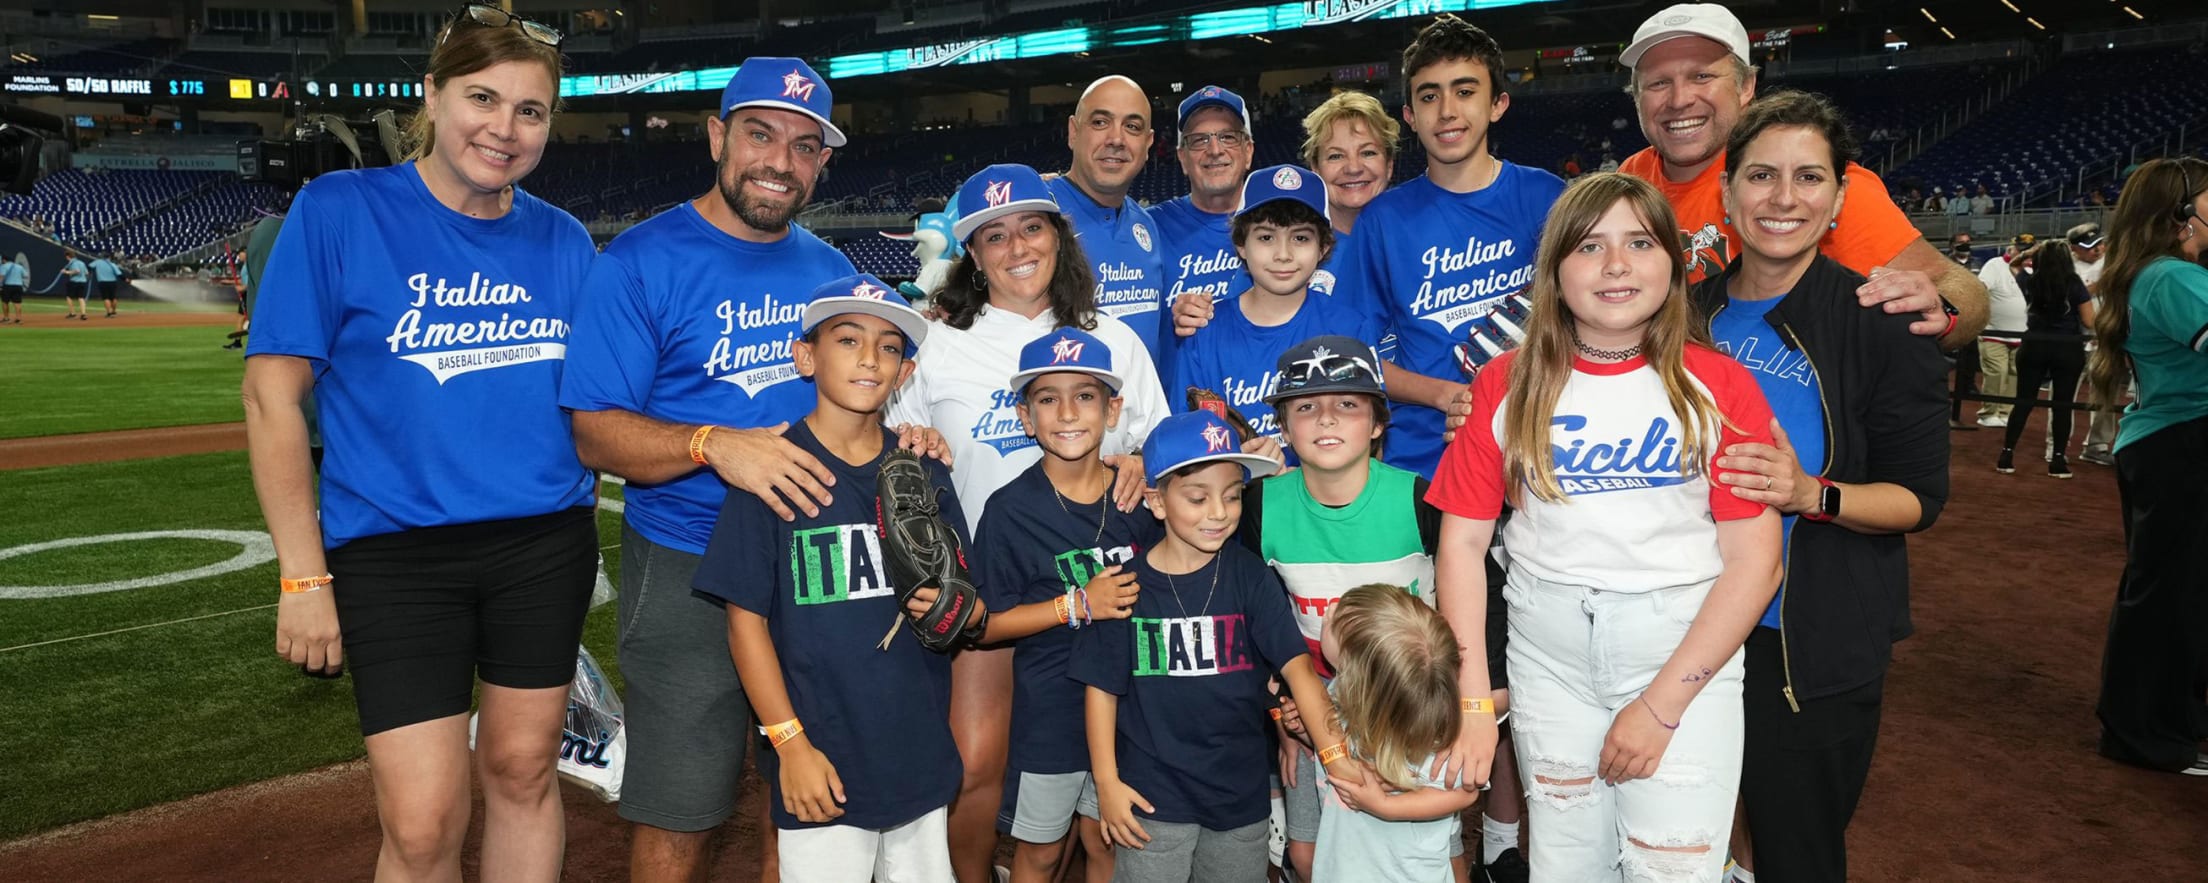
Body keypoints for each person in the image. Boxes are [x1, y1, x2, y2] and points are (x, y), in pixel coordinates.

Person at [560, 58, 941, 883]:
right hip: (690, 561)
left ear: (822, 163)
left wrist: (911, 434)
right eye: (760, 134)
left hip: (819, 564)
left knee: (807, 800)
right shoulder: (639, 260)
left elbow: (862, 397)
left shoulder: (830, 274)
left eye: (803, 146)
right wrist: (713, 443)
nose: (779, 161)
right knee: (682, 803)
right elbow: (593, 432)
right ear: (717, 137)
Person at [241, 7, 594, 878]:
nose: (504, 128)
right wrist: (302, 575)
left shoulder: (564, 238)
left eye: (530, 110)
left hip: (542, 546)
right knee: (423, 819)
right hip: (393, 554)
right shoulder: (338, 211)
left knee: (523, 771)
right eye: (483, 98)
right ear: (431, 96)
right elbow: (270, 396)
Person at [1426, 172, 1783, 881]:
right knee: (1566, 866)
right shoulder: (1506, 382)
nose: (1616, 264)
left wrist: (1662, 706)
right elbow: (1461, 545)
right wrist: (1472, 701)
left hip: (1682, 651)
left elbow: (1757, 563)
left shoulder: (1720, 384)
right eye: (1589, 246)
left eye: (1640, 243)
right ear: (1555, 272)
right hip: (1547, 655)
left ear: (1673, 265)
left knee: (1672, 867)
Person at [1692, 90, 1952, 882]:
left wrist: (1814, 494)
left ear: (1839, 199)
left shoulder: (1881, 319)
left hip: (1805, 641)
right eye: (1761, 175)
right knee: (1680, 839)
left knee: (1795, 851)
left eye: (1809, 177)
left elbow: (1918, 499)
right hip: (1682, 624)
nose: (1783, 198)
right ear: (1728, 192)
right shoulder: (1682, 316)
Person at [889, 162, 1169, 883]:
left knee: (1091, 772)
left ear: (1058, 235)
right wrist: (914, 441)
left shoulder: (1114, 338)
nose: (1017, 246)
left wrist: (1145, 460)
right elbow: (891, 450)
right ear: (973, 254)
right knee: (976, 764)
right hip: (988, 584)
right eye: (994, 234)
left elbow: (1163, 454)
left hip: (1100, 588)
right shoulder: (937, 344)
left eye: (1032, 226)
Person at [696, 274, 961, 882]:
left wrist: (953, 609)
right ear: (805, 356)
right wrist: (789, 744)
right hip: (820, 755)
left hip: (916, 745)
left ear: (905, 373)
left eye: (889, 347)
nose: (869, 358)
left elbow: (967, 604)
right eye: (847, 339)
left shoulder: (923, 470)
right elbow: (745, 623)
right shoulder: (772, 471)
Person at [1242, 334, 1494, 882]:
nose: (1326, 419)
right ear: (1282, 428)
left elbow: (1482, 605)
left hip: (1415, 708)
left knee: (1438, 850)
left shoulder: (1420, 499)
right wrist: (1281, 714)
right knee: (1308, 854)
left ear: (1379, 423)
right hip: (1317, 706)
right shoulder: (1258, 507)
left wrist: (1474, 707)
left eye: (1347, 404)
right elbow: (1251, 618)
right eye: (1305, 408)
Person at [1071, 409, 1357, 883]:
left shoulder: (1251, 577)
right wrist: (1106, 781)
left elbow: (1299, 671)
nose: (1219, 513)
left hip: (1238, 797)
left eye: (1232, 495)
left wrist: (1336, 758)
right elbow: (1101, 689)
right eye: (1198, 498)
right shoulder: (1124, 587)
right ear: (1157, 502)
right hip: (1151, 797)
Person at [1617, 3, 1988, 347]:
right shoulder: (1631, 178)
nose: (1679, 99)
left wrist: (1942, 313)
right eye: (1658, 82)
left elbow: (1960, 289)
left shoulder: (1807, 189)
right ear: (1636, 97)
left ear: (1746, 86)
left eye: (1702, 75)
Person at [1310, 14, 1566, 478]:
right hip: (1426, 458)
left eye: (1465, 91)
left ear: (1498, 103)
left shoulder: (1547, 198)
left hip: (1539, 447)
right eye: (1429, 96)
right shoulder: (1384, 219)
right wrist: (1443, 395)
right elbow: (1355, 355)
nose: (1447, 111)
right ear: (1410, 115)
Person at [972, 326, 1155, 883]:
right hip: (1051, 707)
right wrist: (1075, 604)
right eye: (1048, 399)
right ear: (1025, 417)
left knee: (1109, 842)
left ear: (1113, 410)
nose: (1068, 413)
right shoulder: (1009, 510)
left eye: (1086, 396)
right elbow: (984, 626)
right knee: (1042, 852)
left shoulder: (1139, 497)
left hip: (1135, 704)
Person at [2089, 155, 2208, 777]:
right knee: (2173, 595)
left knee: (2172, 590)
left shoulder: (2159, 273)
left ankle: (2163, 722)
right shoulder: (2173, 277)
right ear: (2182, 211)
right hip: (2184, 443)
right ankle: (2147, 732)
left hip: (2169, 441)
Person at [1173, 165, 1361, 446]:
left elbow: (1361, 437)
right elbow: (1188, 441)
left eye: (1300, 238)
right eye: (1265, 237)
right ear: (1241, 244)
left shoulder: (1350, 330)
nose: (1283, 254)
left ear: (1322, 247)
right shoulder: (1203, 332)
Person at [1311, 585, 1483, 883]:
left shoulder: (1433, 737)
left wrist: (1385, 807)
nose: (1329, 612)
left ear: (1357, 671)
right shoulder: (1341, 693)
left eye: (1336, 624)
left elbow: (1465, 792)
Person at [1048, 76, 1167, 361]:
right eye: (1100, 122)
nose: (1116, 139)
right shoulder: (1036, 216)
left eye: (1132, 127)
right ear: (1073, 132)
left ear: (1148, 143)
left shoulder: (1146, 225)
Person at [1150, 86, 1257, 337]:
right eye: (1199, 140)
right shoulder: (1148, 227)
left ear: (1248, 151)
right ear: (1182, 158)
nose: (1215, 150)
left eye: (1228, 137)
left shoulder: (1283, 225)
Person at [1996, 242, 2097, 478]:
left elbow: (2014, 264)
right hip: (2067, 347)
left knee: (2023, 402)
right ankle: (2058, 460)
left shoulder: (2032, 281)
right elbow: (2089, 321)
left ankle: (2006, 455)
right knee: (2062, 405)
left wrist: (2031, 251)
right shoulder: (2074, 284)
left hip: (2034, 345)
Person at [1300, 90, 1399, 241]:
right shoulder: (1294, 251)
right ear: (1316, 169)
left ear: (1389, 165)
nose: (1353, 169)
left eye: (1367, 153)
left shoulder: (1421, 240)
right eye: (1336, 156)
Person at [2069, 223, 2121, 465]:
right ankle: (2057, 445)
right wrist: (2100, 284)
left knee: (2105, 394)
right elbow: (2070, 297)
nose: (2097, 249)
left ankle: (2097, 445)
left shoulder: (2112, 260)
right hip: (2074, 340)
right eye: (2090, 246)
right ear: (2074, 248)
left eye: (2099, 243)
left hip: (2103, 340)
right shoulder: (2065, 266)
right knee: (2064, 395)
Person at [1974, 235, 2032, 429]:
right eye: (2021, 249)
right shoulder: (1995, 265)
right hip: (1993, 331)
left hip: (2022, 333)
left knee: (2015, 374)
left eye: (2027, 250)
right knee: (1997, 372)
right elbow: (1982, 288)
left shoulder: (2032, 269)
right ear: (2011, 248)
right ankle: (1989, 412)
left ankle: (2006, 412)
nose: (2023, 253)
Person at [89, 252, 122, 317]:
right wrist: (126, 279)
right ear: (109, 257)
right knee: (113, 297)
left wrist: (89, 272)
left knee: (106, 297)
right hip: (113, 282)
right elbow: (119, 274)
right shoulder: (112, 264)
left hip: (102, 282)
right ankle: (114, 311)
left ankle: (109, 313)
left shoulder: (98, 262)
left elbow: (89, 266)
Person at [61, 249, 88, 320]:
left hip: (74, 282)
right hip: (82, 282)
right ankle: (83, 314)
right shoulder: (81, 262)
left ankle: (72, 313)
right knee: (81, 298)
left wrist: (66, 272)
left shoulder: (73, 263)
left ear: (68, 256)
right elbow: (86, 273)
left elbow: (77, 271)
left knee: (69, 297)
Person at [0, 252, 25, 323]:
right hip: (18, 286)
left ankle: (6, 318)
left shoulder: (4, 266)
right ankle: (18, 319)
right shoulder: (19, 266)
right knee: (17, 303)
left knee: (5, 302)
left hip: (7, 286)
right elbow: (25, 276)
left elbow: (1, 277)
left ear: (4, 260)